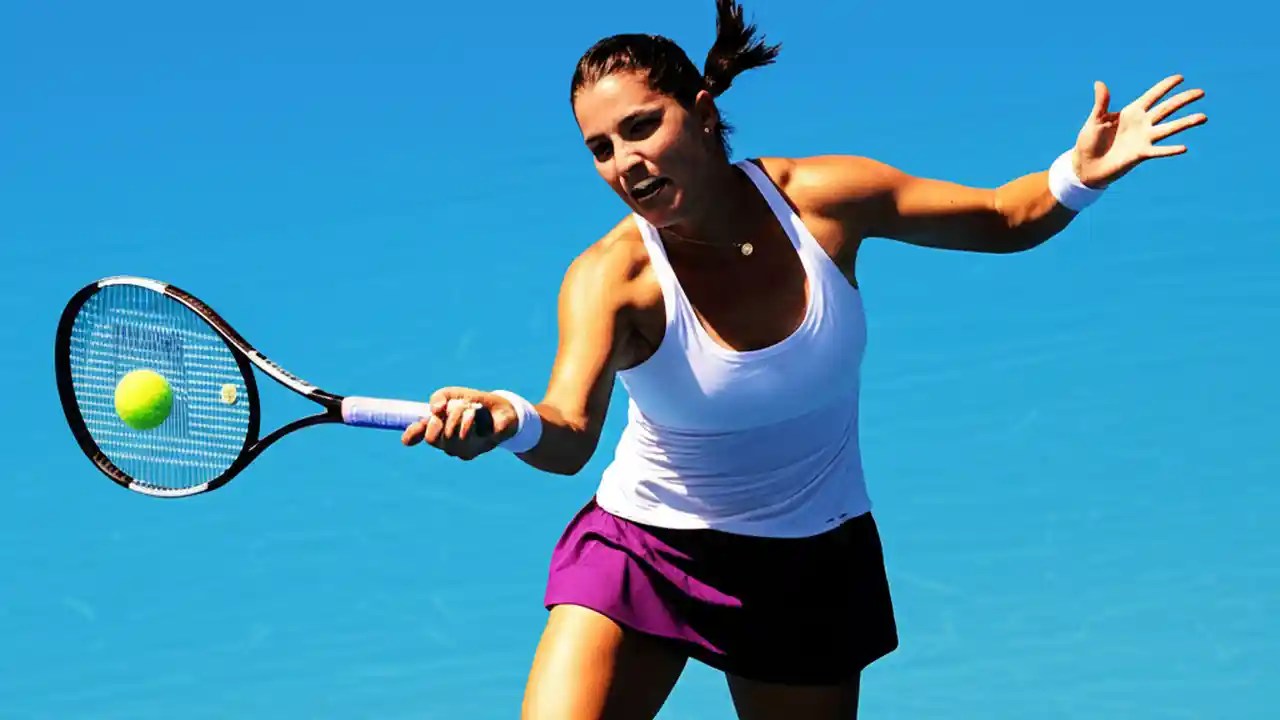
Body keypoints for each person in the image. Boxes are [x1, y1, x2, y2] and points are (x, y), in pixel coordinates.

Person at [401, 1, 1207, 717]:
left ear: (705, 112)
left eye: (642, 126)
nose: (624, 164)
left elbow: (1001, 217)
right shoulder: (612, 278)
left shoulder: (826, 202)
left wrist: (1082, 176)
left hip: (807, 561)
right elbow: (570, 432)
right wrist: (505, 420)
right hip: (645, 548)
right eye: (601, 148)